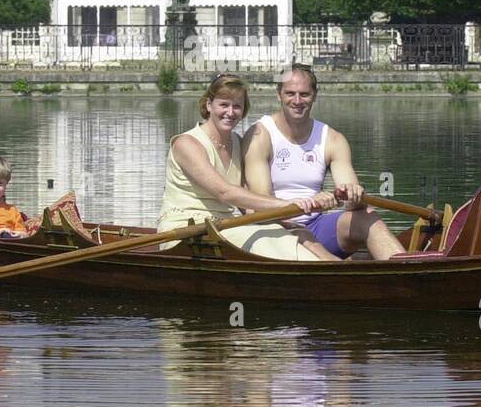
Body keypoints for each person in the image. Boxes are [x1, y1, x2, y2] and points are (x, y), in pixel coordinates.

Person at [158, 74, 339, 261]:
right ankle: (321, 271)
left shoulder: (237, 142)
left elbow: (247, 207)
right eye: (224, 104)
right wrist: (289, 204)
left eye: (237, 106)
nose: (230, 112)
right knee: (269, 241)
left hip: (223, 226)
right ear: (208, 105)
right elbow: (225, 193)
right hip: (185, 231)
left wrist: (286, 221)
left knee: (288, 231)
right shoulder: (187, 143)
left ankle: (330, 265)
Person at [242, 64, 407, 261]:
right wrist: (305, 205)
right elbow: (262, 203)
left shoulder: (333, 139)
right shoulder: (260, 134)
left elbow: (352, 203)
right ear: (279, 95)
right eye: (290, 93)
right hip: (275, 226)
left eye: (304, 94)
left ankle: (406, 273)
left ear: (314, 95)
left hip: (316, 224)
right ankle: (337, 267)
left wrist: (352, 196)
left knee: (368, 216)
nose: (297, 101)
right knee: (298, 232)